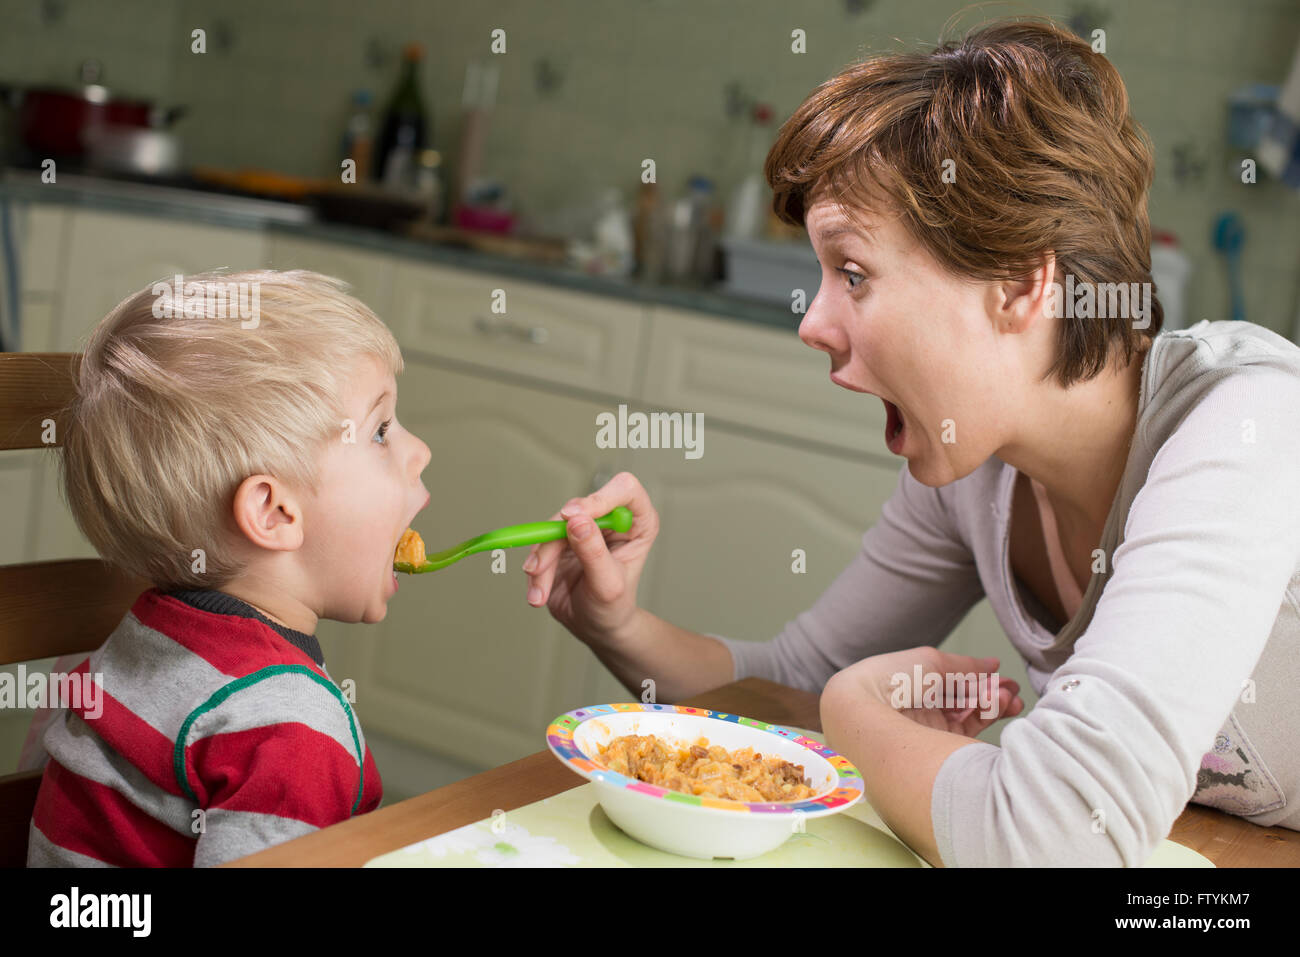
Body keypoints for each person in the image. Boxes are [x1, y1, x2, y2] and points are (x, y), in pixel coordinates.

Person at [521, 18, 1300, 866]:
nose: (812, 323)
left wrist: (858, 713)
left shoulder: (1247, 425)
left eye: (852, 273)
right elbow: (793, 683)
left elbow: (1062, 838)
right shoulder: (977, 472)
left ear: (1019, 285)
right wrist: (616, 623)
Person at [24, 270, 431, 866]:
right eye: (380, 430)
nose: (419, 450)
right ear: (273, 511)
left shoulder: (141, 634)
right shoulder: (292, 727)